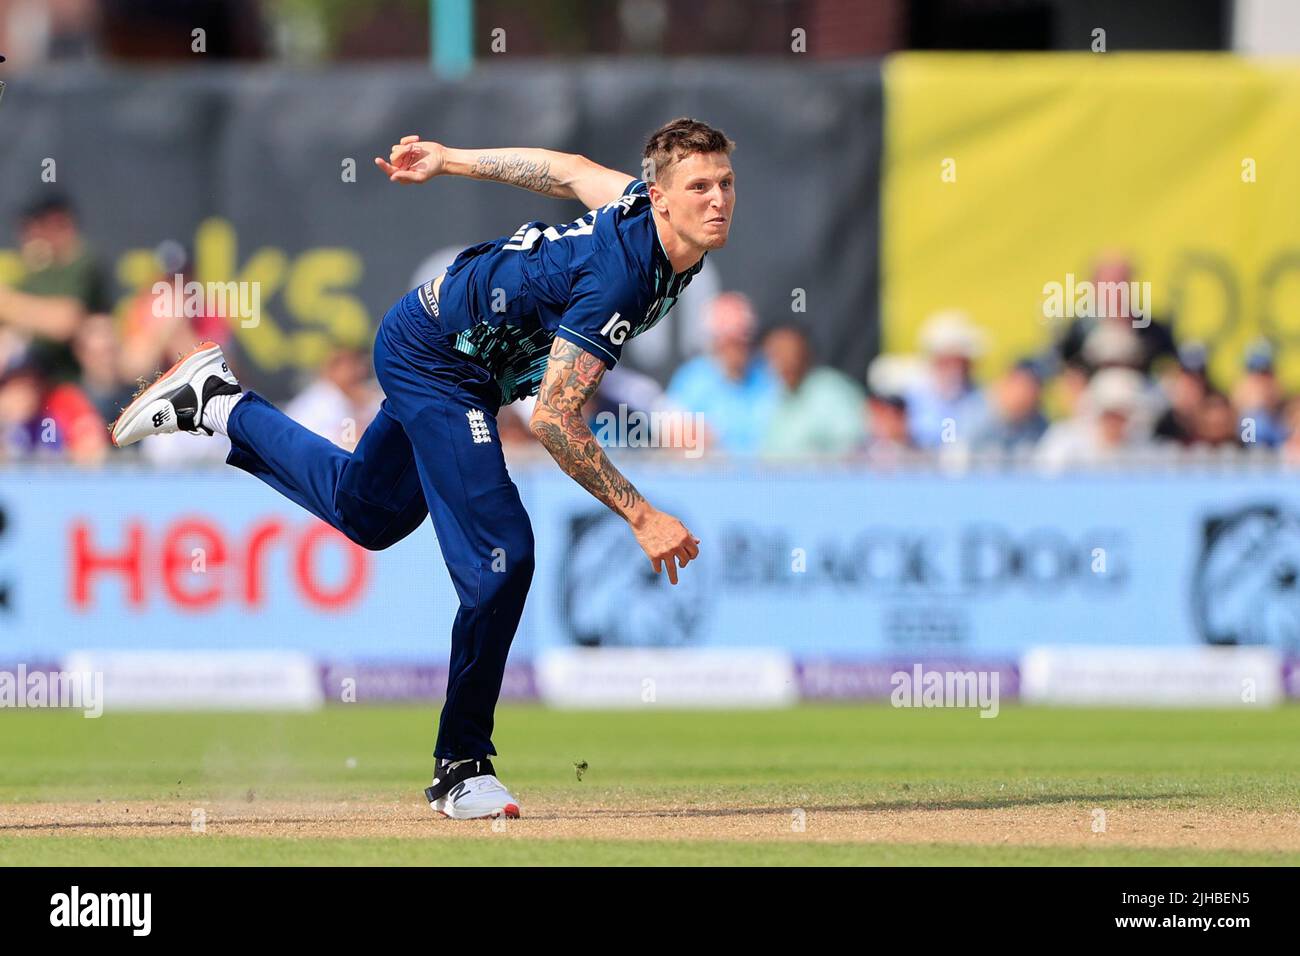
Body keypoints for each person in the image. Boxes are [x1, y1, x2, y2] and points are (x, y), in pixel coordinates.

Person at [109, 117, 730, 820]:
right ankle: (460, 767)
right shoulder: (623, 273)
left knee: (367, 513)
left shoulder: (660, 232)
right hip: (438, 358)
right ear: (660, 198)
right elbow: (555, 418)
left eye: (725, 183)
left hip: (451, 352)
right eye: (699, 186)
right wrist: (641, 514)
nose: (718, 199)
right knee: (504, 555)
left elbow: (567, 169)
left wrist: (451, 158)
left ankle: (217, 402)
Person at [666, 292, 779, 454]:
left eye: (745, 337)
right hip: (710, 475)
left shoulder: (768, 376)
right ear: (716, 341)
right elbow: (672, 438)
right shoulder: (692, 379)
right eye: (731, 339)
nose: (740, 347)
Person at [760, 323, 865, 458]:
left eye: (791, 352)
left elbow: (853, 447)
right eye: (776, 353)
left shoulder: (831, 391)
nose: (785, 361)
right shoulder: (770, 395)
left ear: (804, 353)